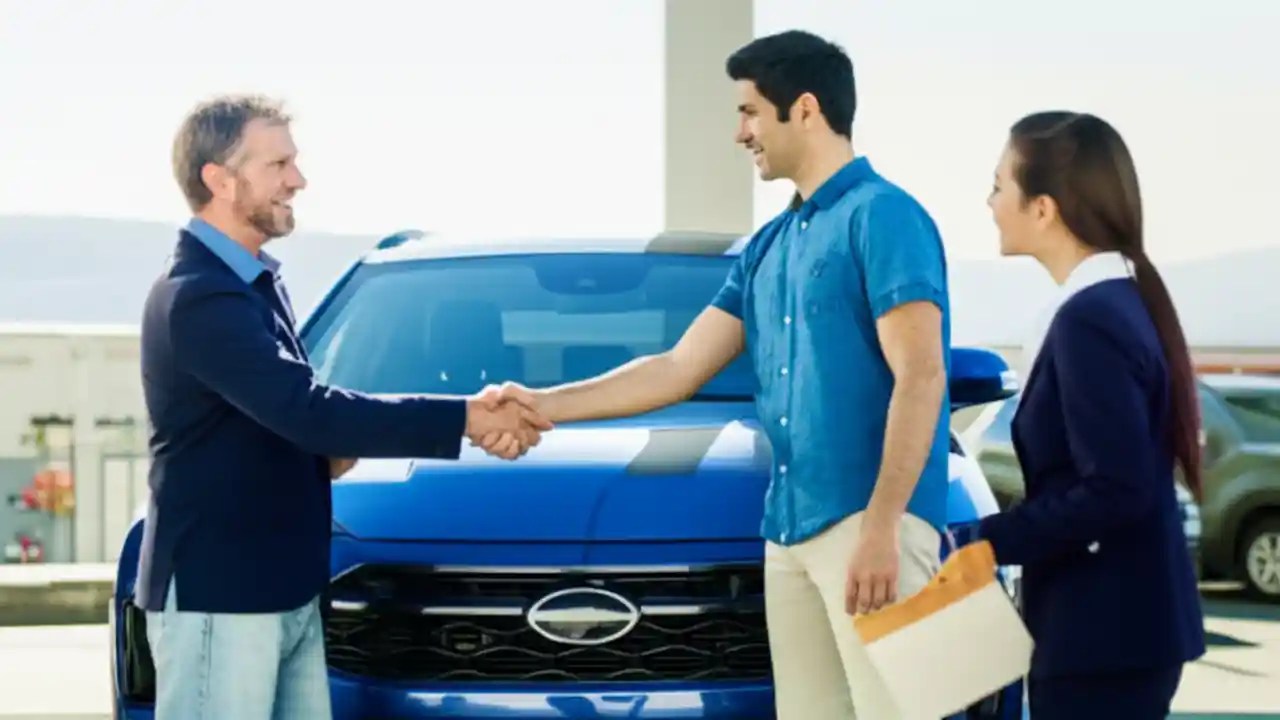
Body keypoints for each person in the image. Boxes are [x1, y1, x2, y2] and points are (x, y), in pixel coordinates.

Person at [479, 30, 952, 719]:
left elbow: (923, 375)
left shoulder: (885, 217)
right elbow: (677, 368)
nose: (740, 133)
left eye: (750, 112)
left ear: (805, 109)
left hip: (875, 529)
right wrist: (541, 403)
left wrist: (884, 526)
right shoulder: (769, 246)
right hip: (788, 535)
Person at [137, 94, 549, 720]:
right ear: (219, 179)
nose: (297, 180)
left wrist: (324, 449)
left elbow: (278, 420)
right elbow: (307, 412)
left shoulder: (251, 283)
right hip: (222, 594)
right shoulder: (201, 296)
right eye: (278, 165)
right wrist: (469, 416)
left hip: (283, 588)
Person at [961, 110, 1206, 718]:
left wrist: (982, 542)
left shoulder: (1089, 319)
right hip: (1120, 628)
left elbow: (1114, 488)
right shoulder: (1117, 299)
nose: (989, 202)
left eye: (998, 185)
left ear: (1043, 208)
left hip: (1102, 635)